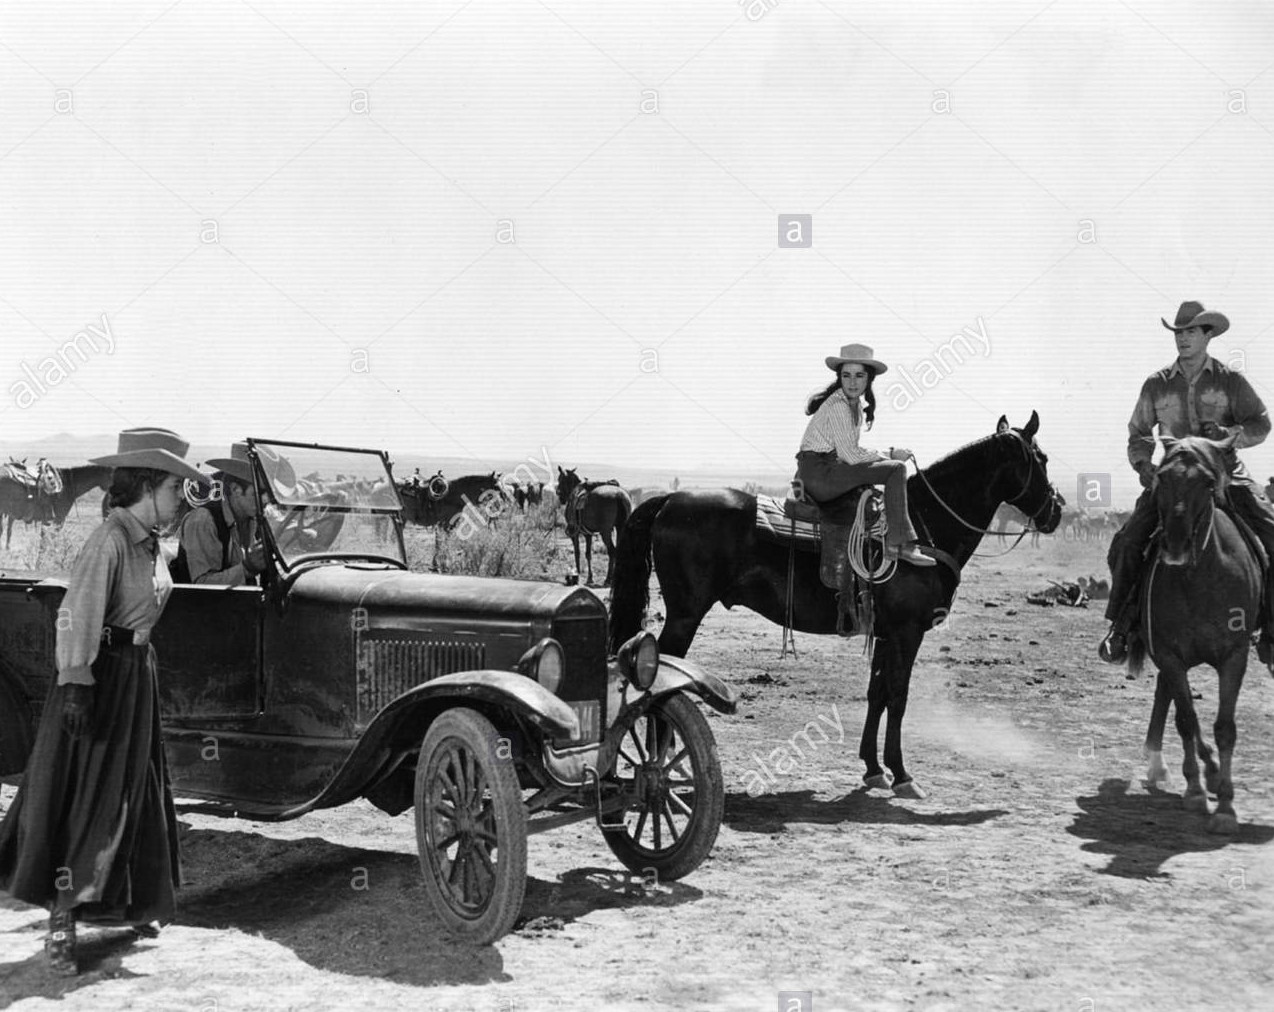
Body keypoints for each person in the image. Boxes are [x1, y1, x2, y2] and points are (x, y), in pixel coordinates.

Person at [0, 427, 206, 975]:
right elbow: (77, 613)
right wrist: (75, 683)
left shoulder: (150, 542)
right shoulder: (110, 541)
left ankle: (136, 903)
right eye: (173, 489)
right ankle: (62, 923)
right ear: (146, 485)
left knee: (136, 789)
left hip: (137, 676)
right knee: (87, 795)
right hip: (100, 679)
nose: (179, 500)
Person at [1100, 302, 1274, 665]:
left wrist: (1230, 433)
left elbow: (1261, 423)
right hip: (1174, 479)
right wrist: (1143, 464)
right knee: (1128, 542)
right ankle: (1121, 626)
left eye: (1191, 332)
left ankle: (1269, 630)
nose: (1183, 338)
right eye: (1178, 332)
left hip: (1224, 475)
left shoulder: (1230, 380)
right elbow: (1138, 432)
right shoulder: (1156, 385)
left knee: (1271, 534)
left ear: (1207, 335)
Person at [796, 343, 935, 567]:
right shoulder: (840, 406)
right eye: (846, 375)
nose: (852, 382)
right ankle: (899, 544)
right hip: (820, 474)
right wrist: (889, 455)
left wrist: (883, 455)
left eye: (859, 375)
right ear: (839, 377)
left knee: (887, 470)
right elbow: (851, 455)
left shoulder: (852, 405)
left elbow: (849, 453)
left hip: (823, 470)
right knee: (896, 469)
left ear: (868, 378)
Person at [175, 442, 265, 585]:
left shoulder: (257, 520)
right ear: (235, 489)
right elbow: (203, 585)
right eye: (259, 493)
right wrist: (248, 569)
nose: (266, 500)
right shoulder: (203, 520)